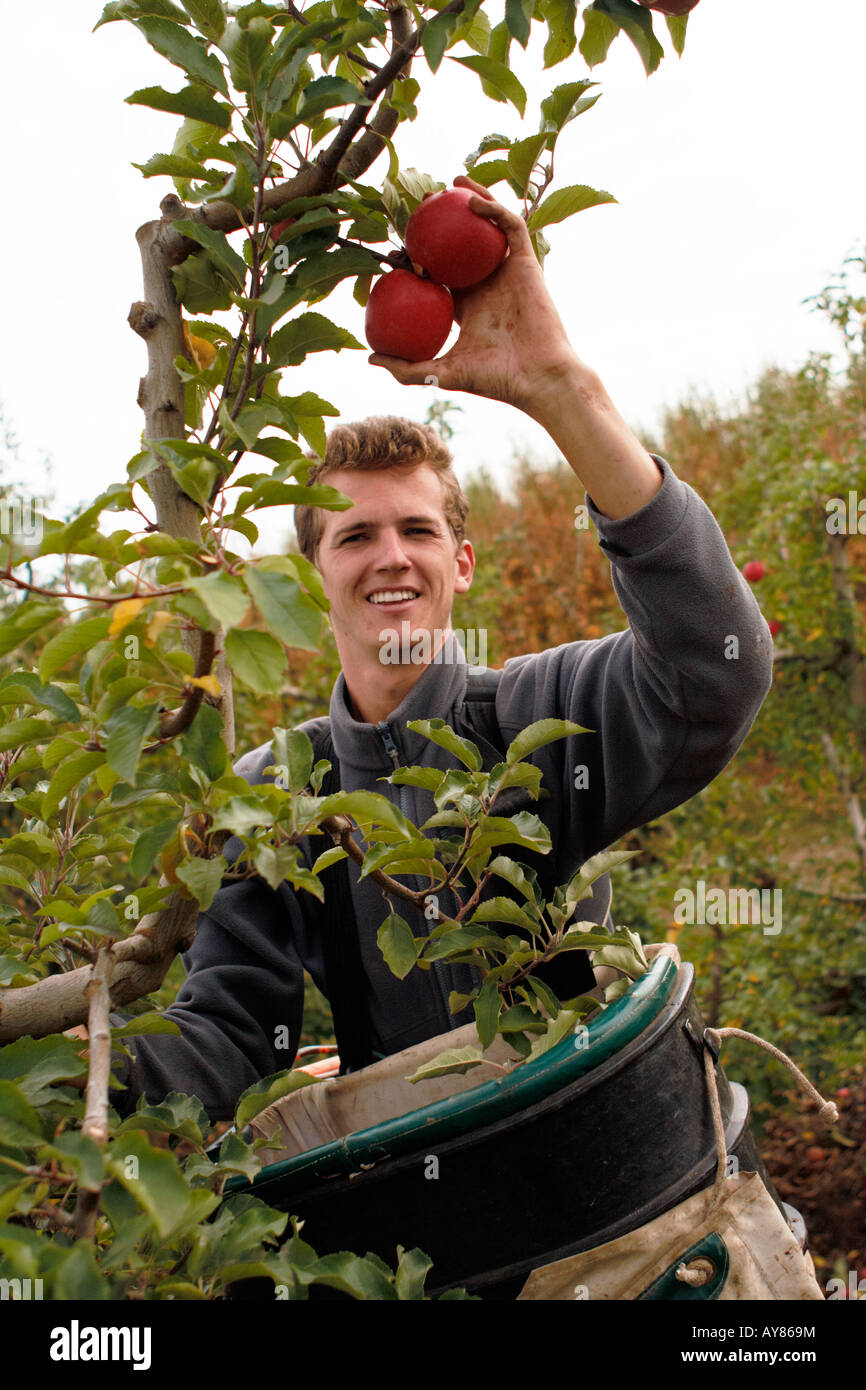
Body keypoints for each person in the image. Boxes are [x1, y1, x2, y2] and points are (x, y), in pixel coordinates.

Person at [97, 176, 773, 1119]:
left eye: (416, 532)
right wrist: (71, 1093)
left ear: (459, 562)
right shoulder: (273, 792)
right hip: (441, 1222)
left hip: (624, 1193)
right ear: (313, 571)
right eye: (355, 536)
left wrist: (562, 391)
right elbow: (231, 1032)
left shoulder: (536, 718)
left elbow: (717, 670)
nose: (391, 559)